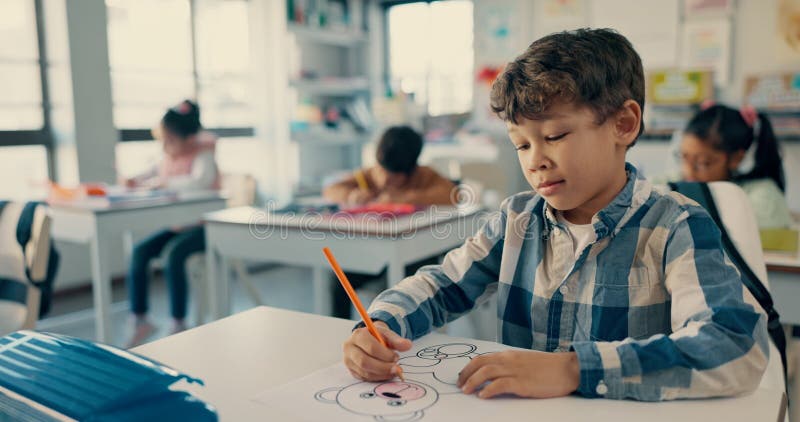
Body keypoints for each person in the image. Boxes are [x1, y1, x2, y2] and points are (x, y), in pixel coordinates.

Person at [342, 28, 769, 401]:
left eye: (554, 136)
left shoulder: (675, 225)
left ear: (623, 124)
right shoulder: (516, 220)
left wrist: (572, 369)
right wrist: (378, 324)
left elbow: (735, 347)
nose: (535, 162)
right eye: (522, 145)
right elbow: (443, 284)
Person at [323, 125, 457, 319]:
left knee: (409, 284)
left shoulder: (424, 176)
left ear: (411, 170)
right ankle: (338, 330)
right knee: (339, 278)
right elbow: (331, 190)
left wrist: (401, 197)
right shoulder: (368, 175)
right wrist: (352, 195)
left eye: (394, 177)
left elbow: (452, 195)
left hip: (415, 254)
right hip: (374, 254)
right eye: (382, 170)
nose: (385, 180)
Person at [124, 99, 220, 348]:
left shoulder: (203, 154)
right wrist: (135, 180)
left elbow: (201, 181)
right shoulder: (167, 157)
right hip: (178, 225)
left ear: (188, 139)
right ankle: (140, 317)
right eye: (163, 141)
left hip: (205, 227)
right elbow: (152, 172)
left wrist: (166, 183)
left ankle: (178, 321)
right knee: (140, 251)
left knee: (173, 254)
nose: (165, 147)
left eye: (170, 141)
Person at [679, 102, 793, 228]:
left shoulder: (764, 200)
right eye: (684, 158)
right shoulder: (681, 181)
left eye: (703, 163)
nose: (688, 171)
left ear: (736, 158)